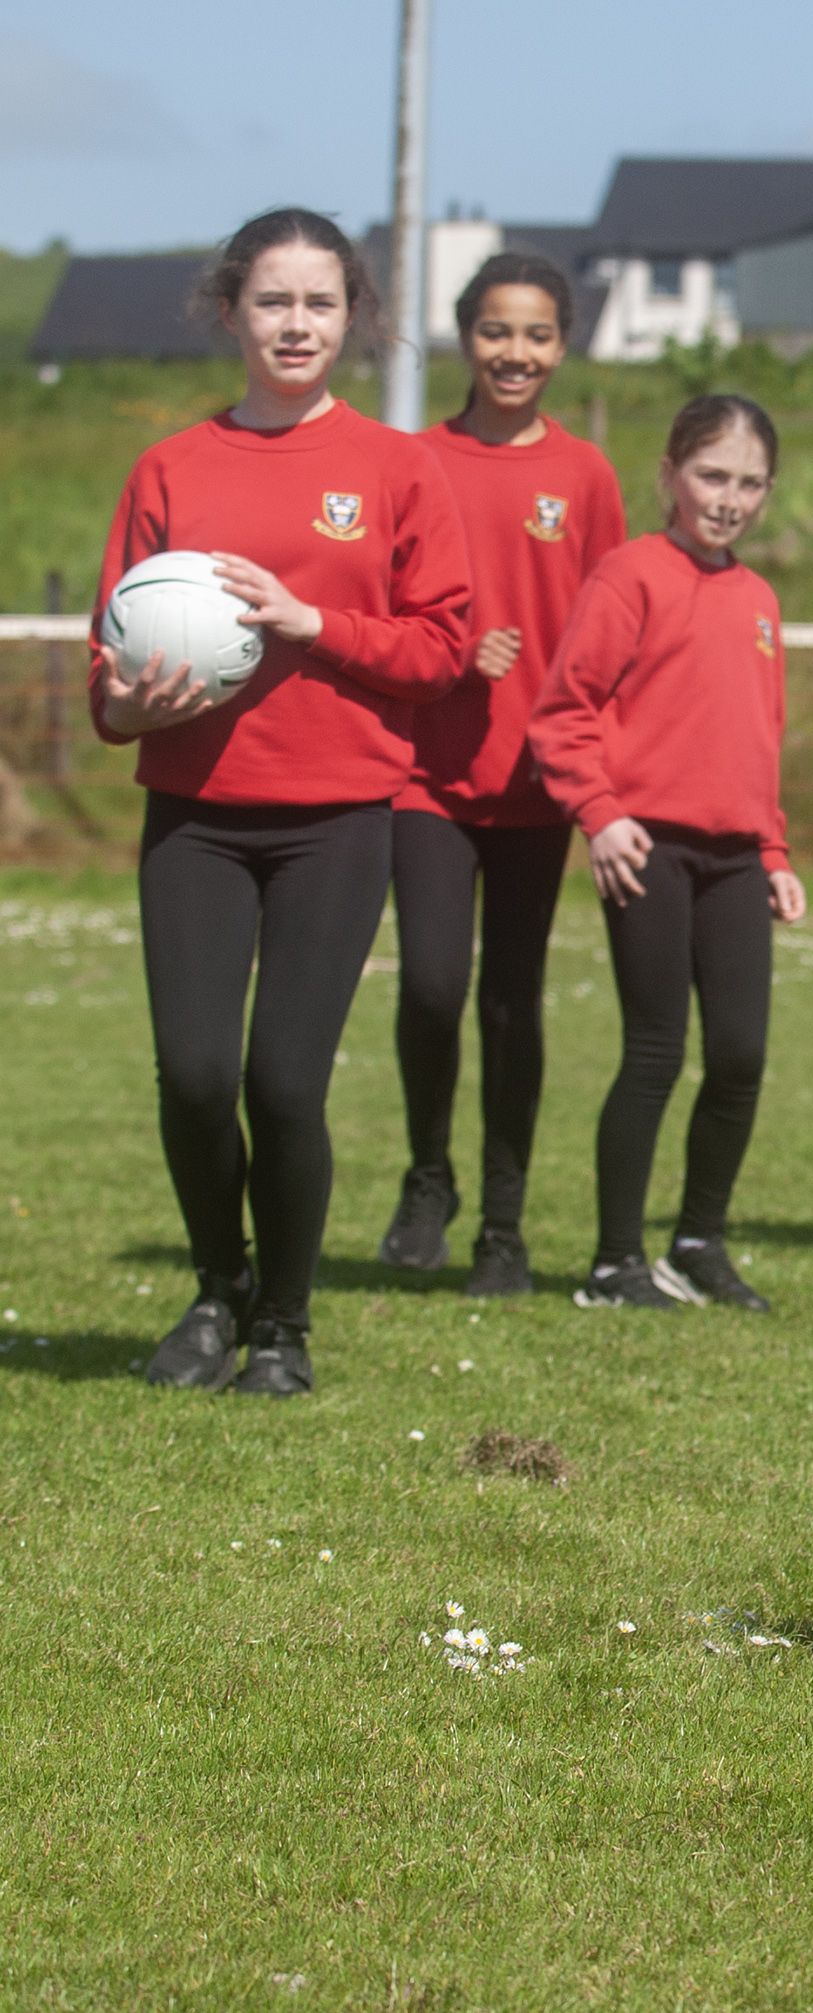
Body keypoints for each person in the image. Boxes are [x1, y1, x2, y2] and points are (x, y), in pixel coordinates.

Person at [89, 207, 470, 1396]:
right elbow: (106, 679)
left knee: (286, 1085)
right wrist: (131, 706)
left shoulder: (397, 468)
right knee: (197, 1076)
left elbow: (443, 649)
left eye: (319, 302)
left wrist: (315, 624)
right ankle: (219, 1291)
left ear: (352, 317)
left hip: (336, 820)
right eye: (272, 301)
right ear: (231, 312)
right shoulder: (169, 468)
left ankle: (285, 1331)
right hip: (195, 816)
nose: (295, 324)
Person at [381, 251, 627, 1295]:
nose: (513, 352)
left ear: (562, 346)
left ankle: (503, 1230)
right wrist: (447, 653)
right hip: (422, 774)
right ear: (463, 337)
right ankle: (427, 1175)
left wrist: (602, 764)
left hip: (537, 783)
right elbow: (377, 608)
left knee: (513, 1001)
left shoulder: (587, 476)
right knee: (434, 985)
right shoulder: (410, 461)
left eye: (535, 334)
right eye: (495, 330)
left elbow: (614, 625)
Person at [527, 395, 805, 1311]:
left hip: (735, 861)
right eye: (711, 475)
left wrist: (773, 848)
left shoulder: (759, 598)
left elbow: (759, 736)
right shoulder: (629, 575)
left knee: (740, 1057)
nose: (729, 498)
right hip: (646, 849)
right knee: (654, 1051)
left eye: (750, 483)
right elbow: (562, 714)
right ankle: (614, 1263)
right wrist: (600, 814)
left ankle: (696, 1244)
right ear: (670, 475)